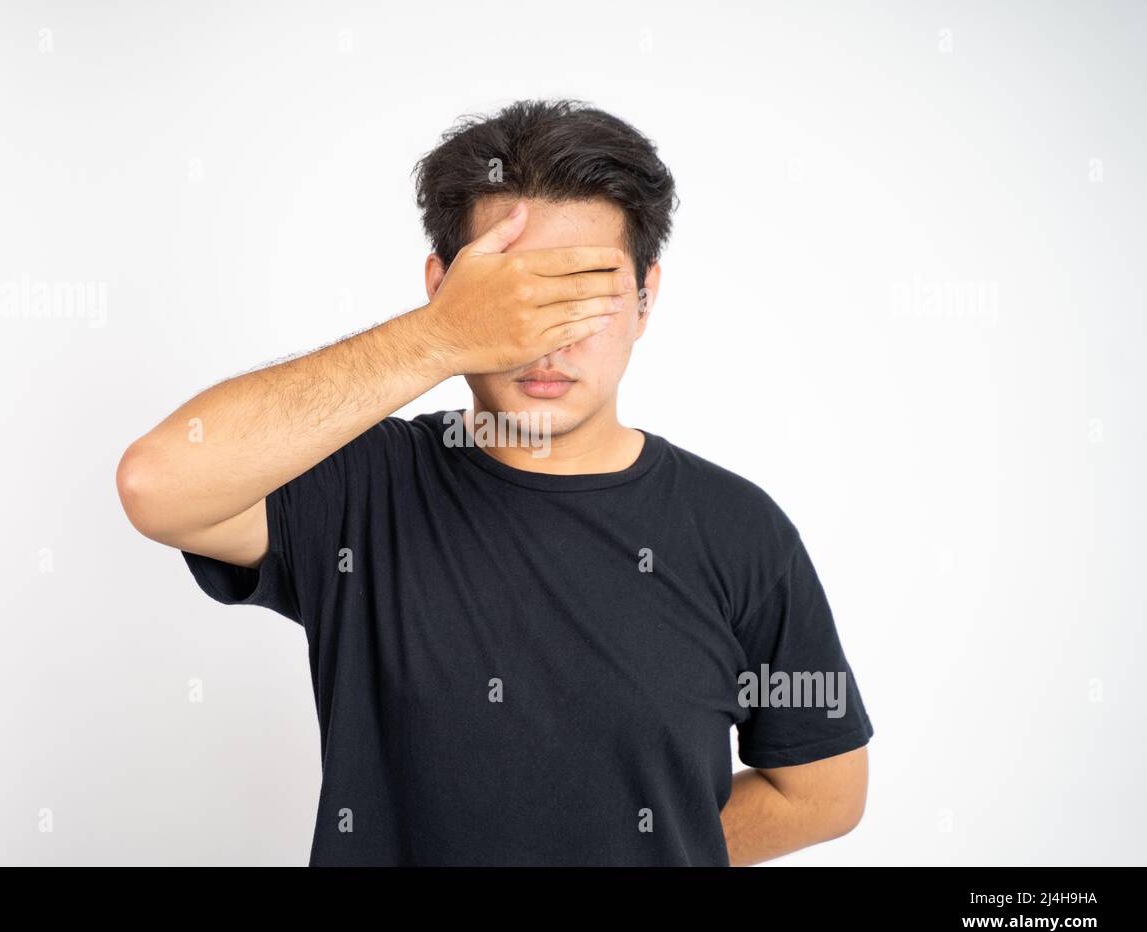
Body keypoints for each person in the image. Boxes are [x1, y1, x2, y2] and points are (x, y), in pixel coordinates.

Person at [116, 99, 874, 866]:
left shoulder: (740, 531)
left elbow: (822, 792)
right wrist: (440, 335)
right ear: (444, 286)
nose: (547, 337)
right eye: (513, 298)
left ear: (646, 297)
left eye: (583, 293)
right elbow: (159, 483)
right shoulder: (361, 487)